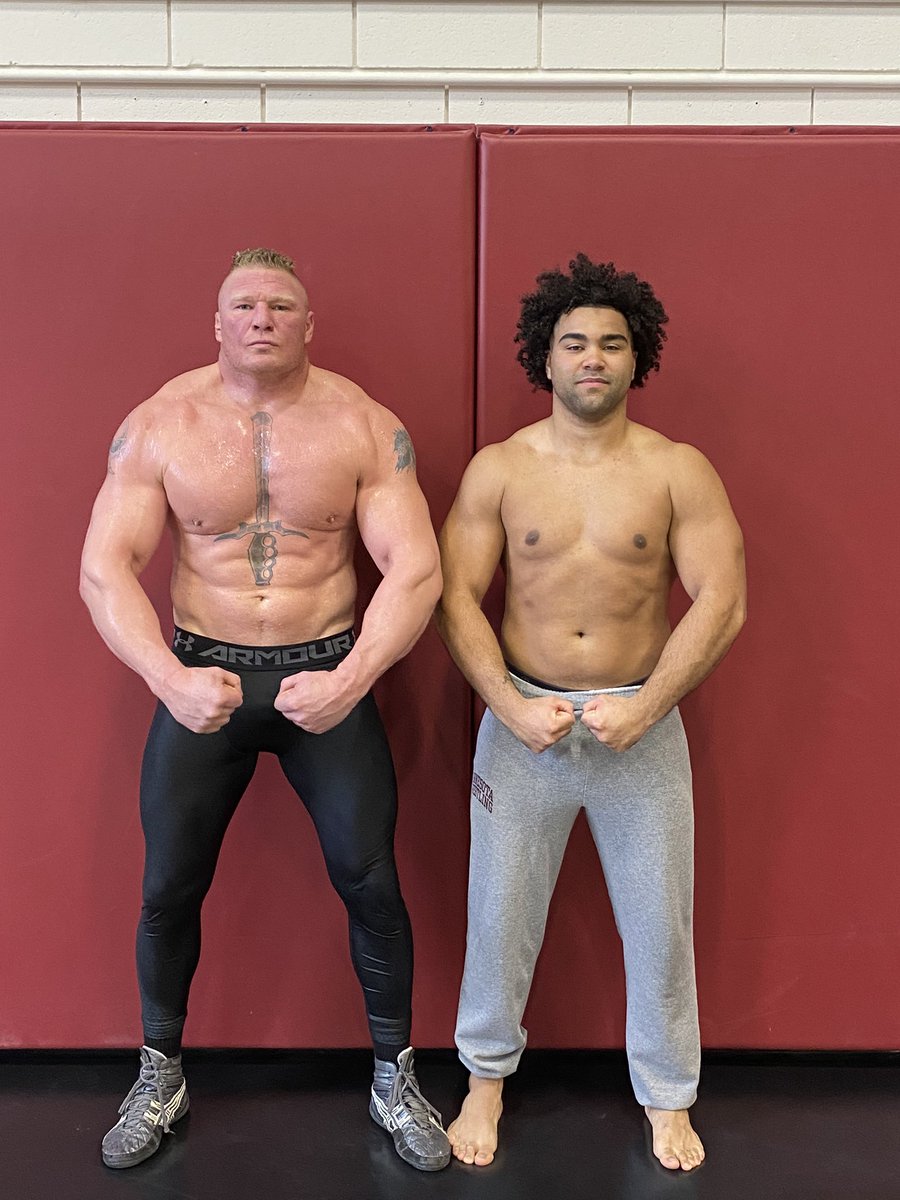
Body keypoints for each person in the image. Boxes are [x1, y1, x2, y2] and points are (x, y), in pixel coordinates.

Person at [80, 248, 450, 1172]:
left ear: (308, 324)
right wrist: (168, 677)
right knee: (168, 886)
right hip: (201, 677)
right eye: (244, 304)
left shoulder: (363, 424)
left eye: (281, 306)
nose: (262, 319)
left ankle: (394, 1080)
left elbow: (415, 568)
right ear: (217, 322)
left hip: (325, 677)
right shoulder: (160, 424)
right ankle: (159, 1075)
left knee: (370, 880)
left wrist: (352, 678)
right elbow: (103, 568)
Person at [436, 254, 746, 1171]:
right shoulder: (500, 470)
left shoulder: (677, 471)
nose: (593, 359)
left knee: (659, 923)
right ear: (546, 356)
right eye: (574, 343)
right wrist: (508, 704)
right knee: (498, 917)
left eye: (612, 343)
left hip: (639, 730)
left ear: (637, 356)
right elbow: (455, 597)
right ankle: (484, 1081)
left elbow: (723, 600)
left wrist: (647, 707)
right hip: (522, 726)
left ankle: (668, 1095)